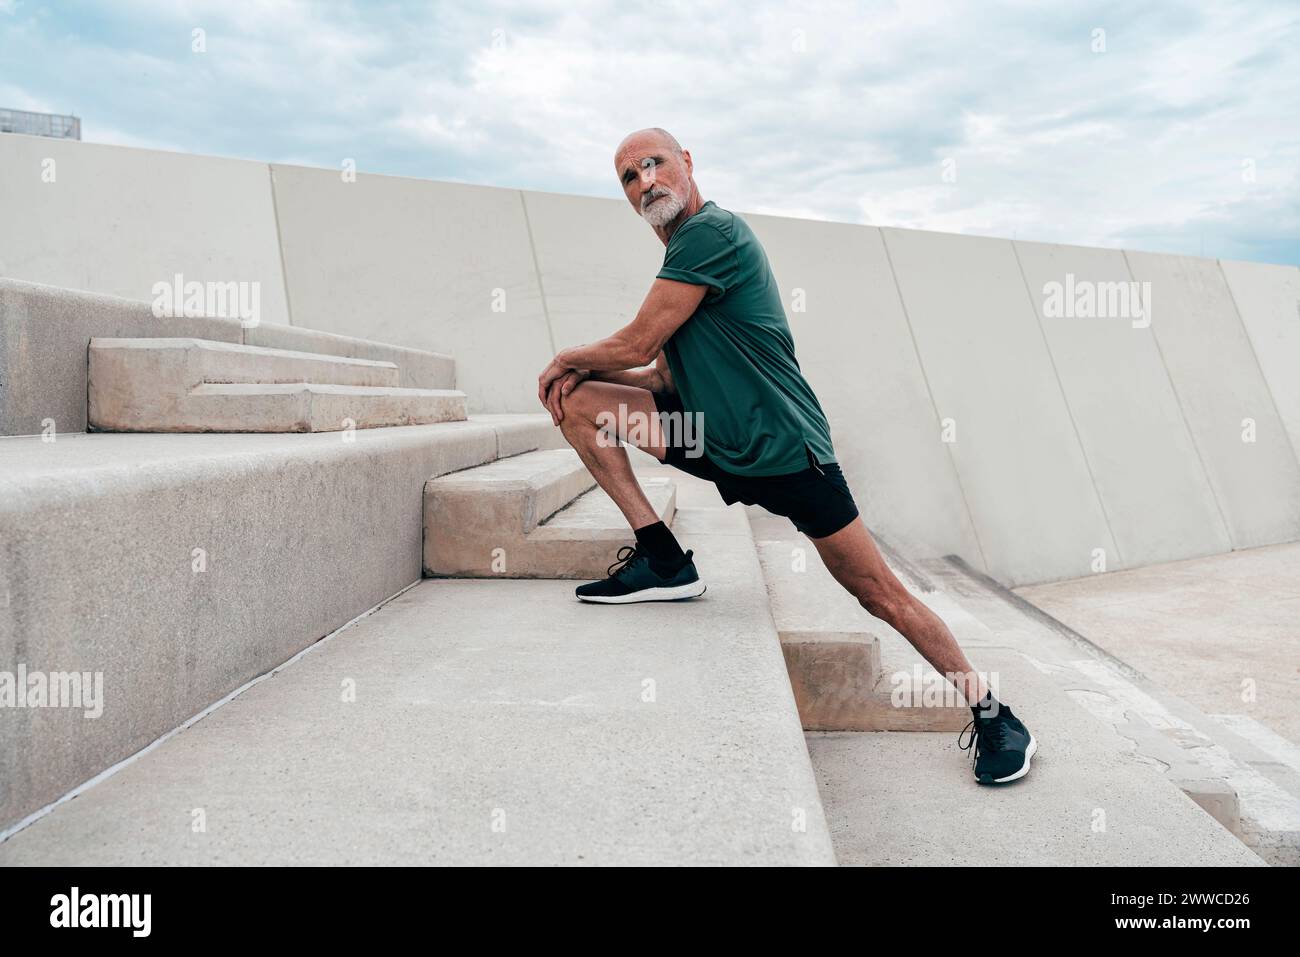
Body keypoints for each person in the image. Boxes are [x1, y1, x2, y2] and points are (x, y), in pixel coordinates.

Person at [536, 128, 1036, 785]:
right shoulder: (678, 261)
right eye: (629, 176)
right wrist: (580, 383)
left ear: (687, 164)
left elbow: (637, 341)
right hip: (711, 440)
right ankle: (662, 557)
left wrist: (566, 358)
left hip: (786, 453)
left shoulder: (710, 234)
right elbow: (658, 375)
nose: (646, 180)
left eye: (655, 163)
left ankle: (996, 714)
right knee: (577, 403)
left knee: (877, 592)